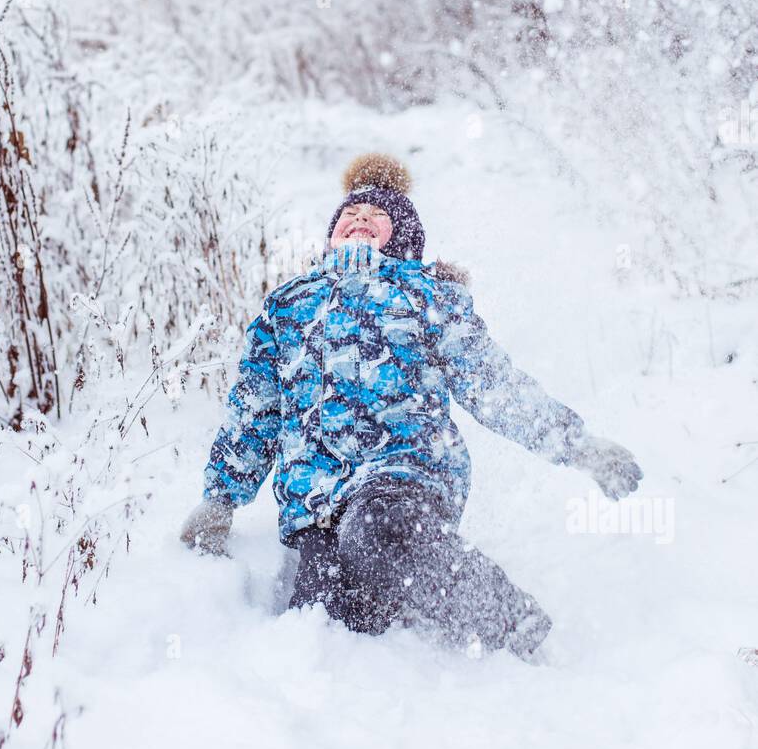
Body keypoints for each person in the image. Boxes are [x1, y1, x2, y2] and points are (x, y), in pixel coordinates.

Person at [180, 153, 642, 661]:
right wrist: (221, 498)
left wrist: (575, 446)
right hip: (315, 498)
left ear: (401, 236)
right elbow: (255, 411)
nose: (358, 220)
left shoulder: (427, 297)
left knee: (375, 530)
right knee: (332, 619)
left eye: (376, 216)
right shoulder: (289, 305)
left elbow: (493, 385)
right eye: (348, 216)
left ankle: (511, 621)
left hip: (404, 472)